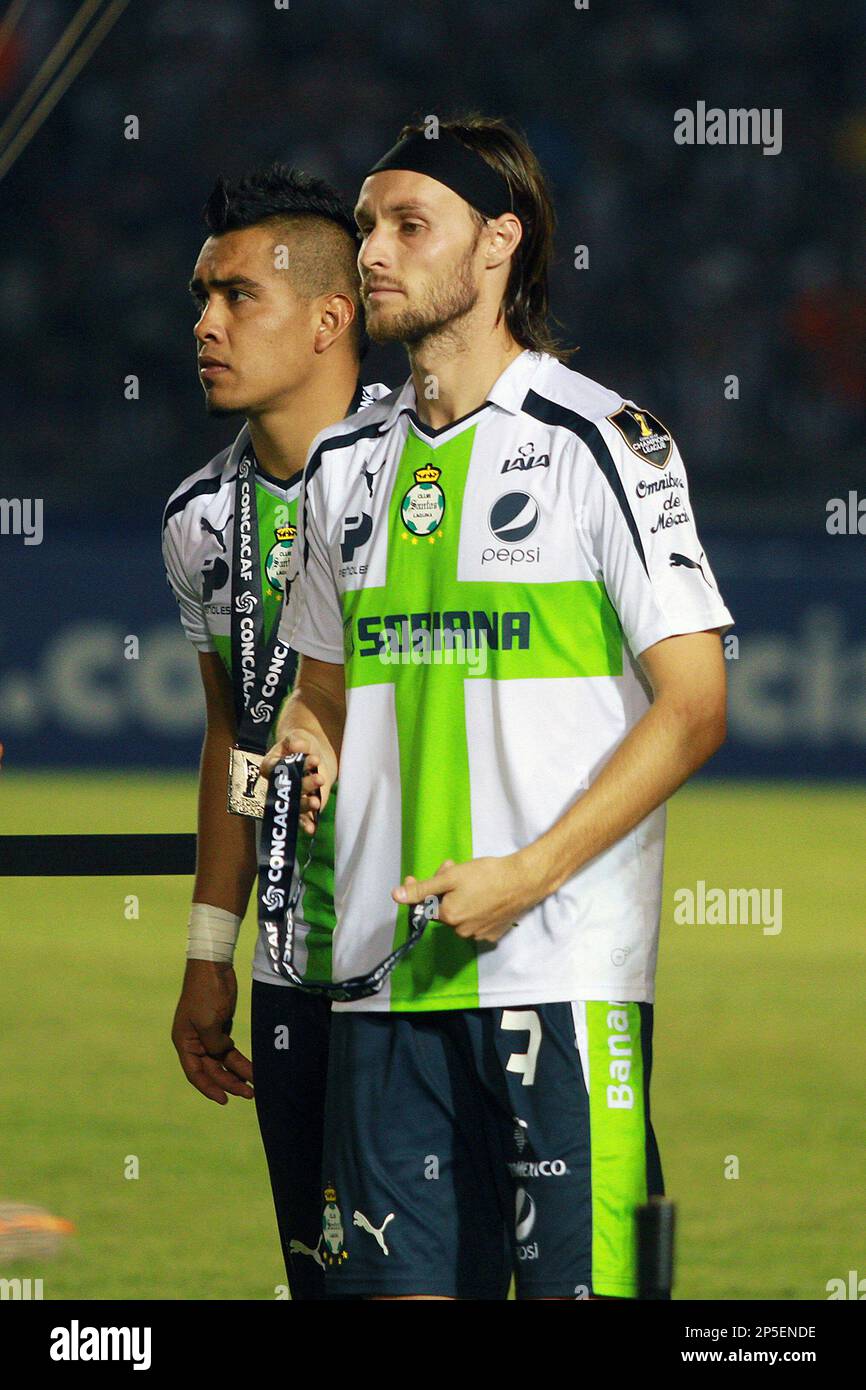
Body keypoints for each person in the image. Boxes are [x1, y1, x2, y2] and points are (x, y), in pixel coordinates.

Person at [263, 114, 733, 1301]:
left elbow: (692, 708)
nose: (371, 251)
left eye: (408, 226)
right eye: (366, 224)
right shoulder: (340, 467)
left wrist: (526, 872)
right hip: (379, 980)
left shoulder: (601, 444)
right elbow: (319, 691)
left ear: (497, 246)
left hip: (557, 976)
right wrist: (301, 746)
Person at [161, 163, 389, 1300]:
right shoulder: (200, 522)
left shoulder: (426, 472)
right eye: (201, 297)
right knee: (323, 1282)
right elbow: (232, 737)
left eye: (237, 295)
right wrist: (213, 953)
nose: (203, 324)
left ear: (327, 320)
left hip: (429, 960)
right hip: (293, 970)